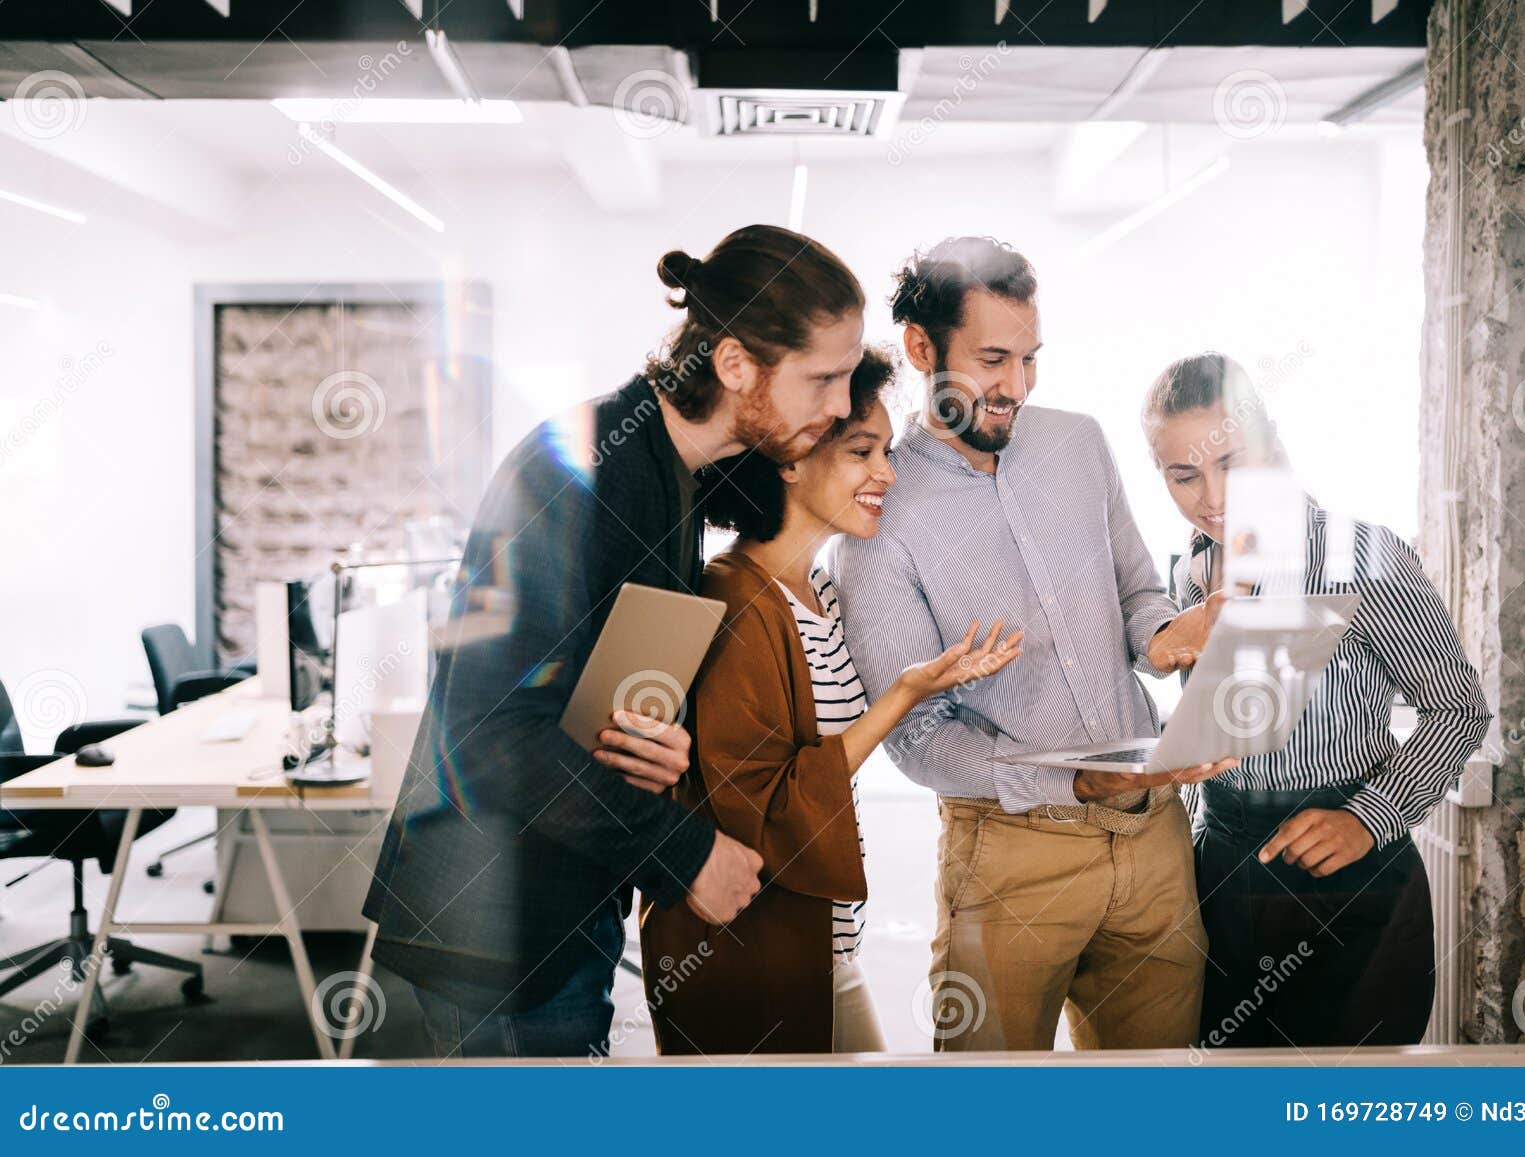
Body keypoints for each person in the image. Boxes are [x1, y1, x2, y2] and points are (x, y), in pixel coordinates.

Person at [362, 224, 870, 1059]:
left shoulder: (671, 471)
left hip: (563, 905)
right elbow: (488, 735)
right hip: (496, 935)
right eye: (823, 378)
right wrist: (687, 850)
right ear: (736, 364)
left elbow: (569, 695)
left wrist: (649, 736)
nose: (841, 404)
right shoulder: (578, 470)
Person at [832, 237, 1232, 1053]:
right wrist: (1067, 779)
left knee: (1157, 1112)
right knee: (992, 1117)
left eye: (1030, 357)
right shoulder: (876, 521)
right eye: (991, 359)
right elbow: (914, 738)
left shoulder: (1079, 443)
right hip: (1012, 857)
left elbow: (1135, 589)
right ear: (920, 349)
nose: (1015, 385)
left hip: (1154, 837)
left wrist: (1164, 638)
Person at [642, 347, 1023, 1055]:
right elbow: (760, 803)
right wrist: (904, 692)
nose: (887, 471)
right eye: (861, 451)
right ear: (789, 458)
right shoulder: (734, 598)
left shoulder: (817, 591)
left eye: (885, 451)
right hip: (746, 956)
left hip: (822, 947)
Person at [1142, 351, 1490, 1049]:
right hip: (1221, 877)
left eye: (1231, 463)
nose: (1211, 497)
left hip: (1354, 878)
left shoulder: (1367, 555)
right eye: (1184, 475)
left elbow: (1458, 708)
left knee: (1344, 1114)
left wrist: (1368, 818)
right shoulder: (1191, 570)